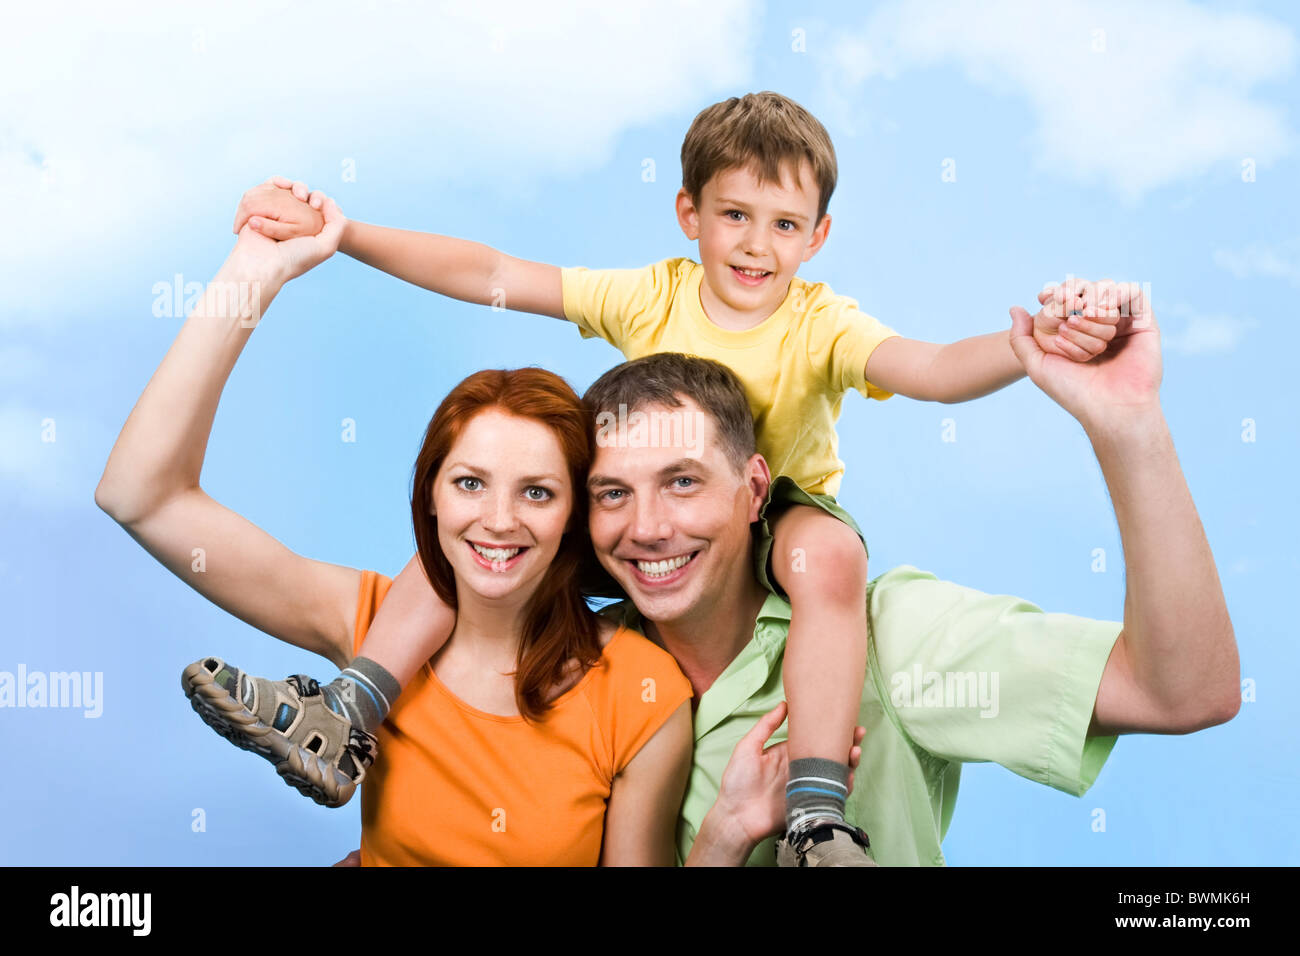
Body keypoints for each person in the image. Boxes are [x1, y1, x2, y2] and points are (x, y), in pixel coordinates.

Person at [226, 90, 1121, 864]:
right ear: (690, 213)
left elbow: (928, 368)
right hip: (644, 509)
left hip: (776, 514)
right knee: (491, 538)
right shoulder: (647, 295)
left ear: (819, 235)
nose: (756, 246)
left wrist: (1024, 346)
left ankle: (815, 812)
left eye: (784, 225)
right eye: (734, 216)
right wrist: (346, 236)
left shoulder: (824, 323)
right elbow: (495, 272)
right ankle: (349, 711)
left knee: (831, 566)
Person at [94, 198, 856, 865]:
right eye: (469, 484)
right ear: (431, 500)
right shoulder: (371, 621)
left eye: (538, 491)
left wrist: (725, 833)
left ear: (579, 515)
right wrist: (252, 273)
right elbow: (141, 497)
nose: (498, 519)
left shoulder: (640, 692)